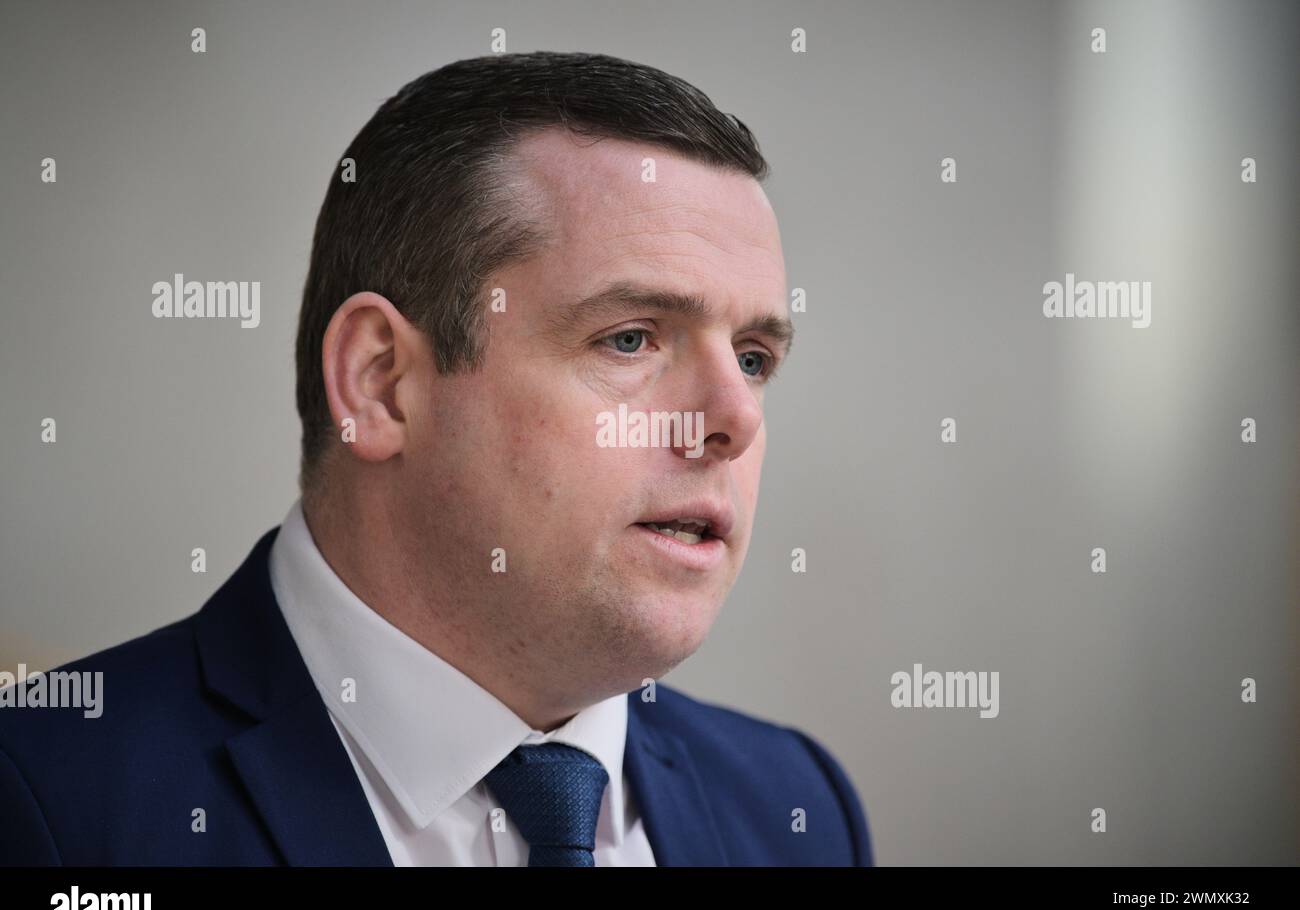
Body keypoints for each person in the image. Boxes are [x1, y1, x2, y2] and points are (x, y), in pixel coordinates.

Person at [0, 52, 872, 866]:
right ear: (381, 384)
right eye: (632, 339)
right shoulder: (50, 805)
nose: (733, 420)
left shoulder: (799, 811)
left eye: (754, 358)